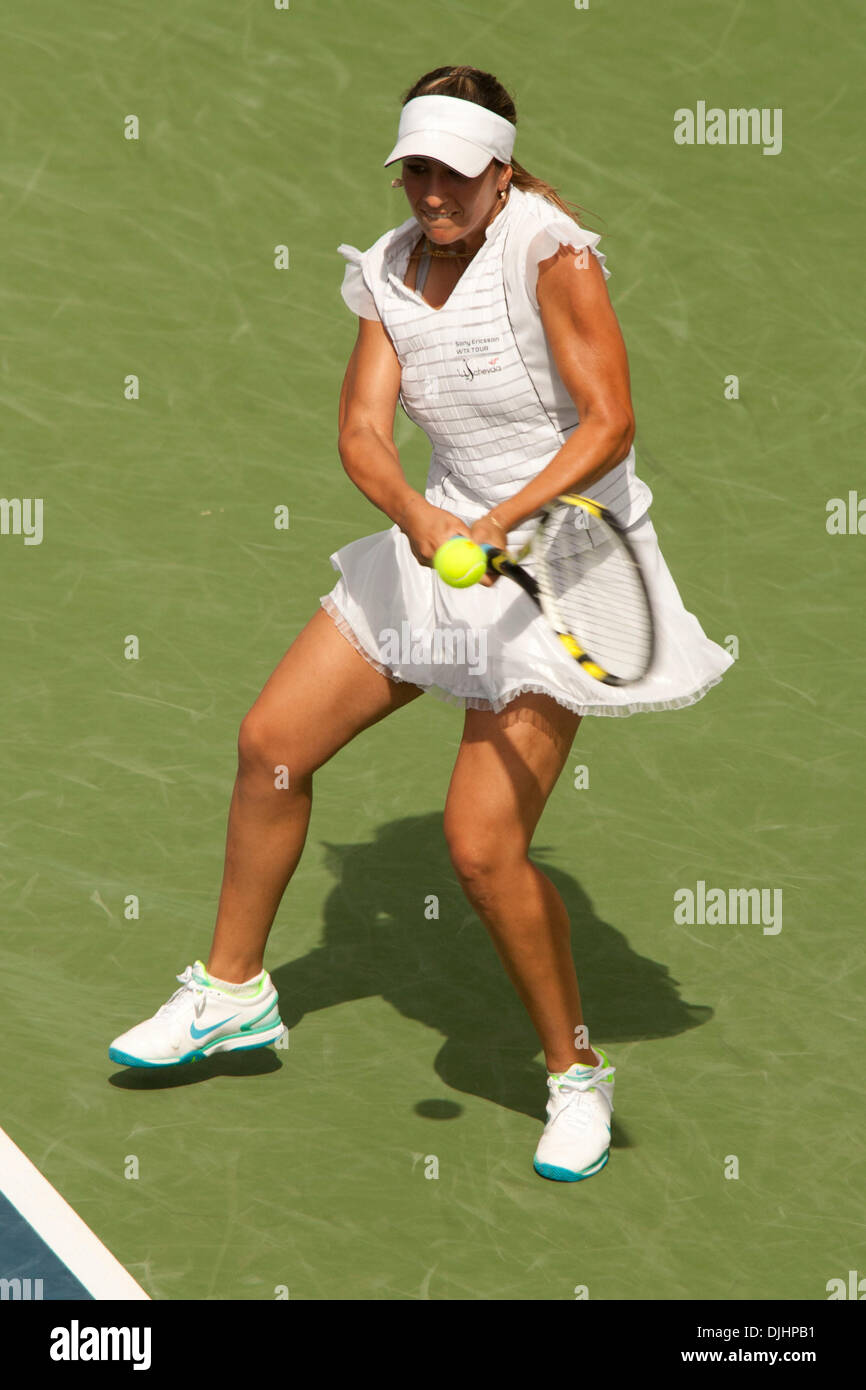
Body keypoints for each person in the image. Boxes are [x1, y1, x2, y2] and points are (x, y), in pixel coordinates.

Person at [109, 66, 733, 1183]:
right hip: (442, 542)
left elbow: (609, 422)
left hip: (562, 557)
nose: (429, 191)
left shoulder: (553, 254)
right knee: (273, 747)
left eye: (450, 171)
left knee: (480, 848)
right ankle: (232, 993)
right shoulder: (390, 267)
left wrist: (496, 521)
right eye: (414, 170)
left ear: (498, 169)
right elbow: (359, 430)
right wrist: (418, 514)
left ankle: (575, 1076)